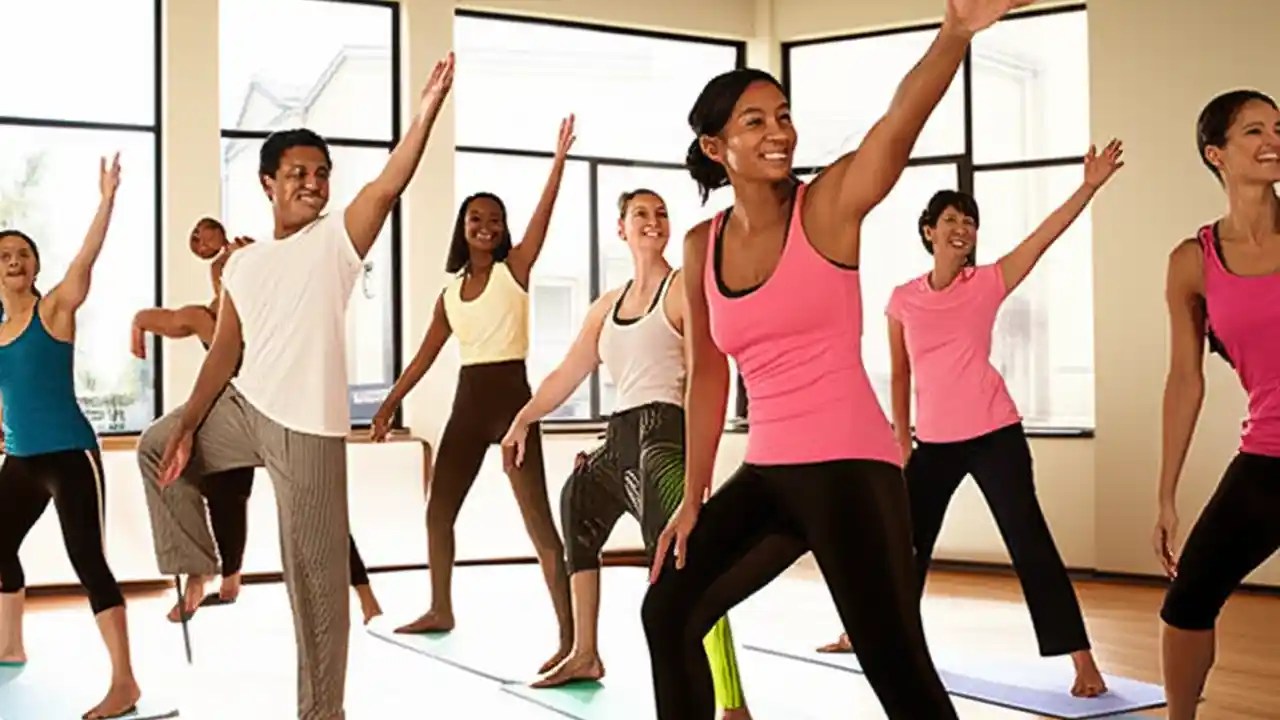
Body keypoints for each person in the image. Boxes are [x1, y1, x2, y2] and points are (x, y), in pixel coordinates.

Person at [640, 2, 1035, 717]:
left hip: (852, 471)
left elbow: (896, 127)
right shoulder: (702, 245)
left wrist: (954, 36)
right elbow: (706, 373)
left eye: (783, 115)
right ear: (713, 146)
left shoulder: (825, 207)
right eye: (754, 121)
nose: (778, 131)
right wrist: (694, 496)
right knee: (668, 610)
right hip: (767, 475)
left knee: (897, 668)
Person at [138, 53, 455, 720]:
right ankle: (198, 566)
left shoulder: (336, 241)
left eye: (321, 174)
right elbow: (223, 351)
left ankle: (322, 712)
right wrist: (192, 422)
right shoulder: (244, 262)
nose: (313, 184)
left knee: (314, 581)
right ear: (268, 183)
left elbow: (388, 185)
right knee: (155, 443)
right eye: (298, 174)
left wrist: (424, 112)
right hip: (245, 405)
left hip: (308, 427)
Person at [814, 142, 1124, 698]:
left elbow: (1044, 236)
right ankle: (863, 634)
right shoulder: (902, 299)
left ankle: (1082, 661)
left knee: (1029, 542)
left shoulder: (987, 283)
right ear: (929, 230)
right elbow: (900, 372)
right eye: (950, 219)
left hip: (995, 436)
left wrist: (1090, 185)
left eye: (970, 221)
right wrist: (900, 441)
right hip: (933, 443)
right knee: (902, 546)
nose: (961, 227)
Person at [500, 189, 752, 718]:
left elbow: (705, 376)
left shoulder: (682, 289)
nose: (654, 221)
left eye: (662, 213)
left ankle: (732, 701)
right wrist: (524, 418)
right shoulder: (606, 307)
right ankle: (584, 652)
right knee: (576, 500)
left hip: (664, 438)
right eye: (642, 214)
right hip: (620, 436)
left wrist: (696, 466)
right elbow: (568, 372)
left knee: (685, 564)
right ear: (621, 228)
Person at [372, 116, 577, 674]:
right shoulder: (449, 293)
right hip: (469, 404)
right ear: (463, 228)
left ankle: (571, 637)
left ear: (504, 229)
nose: (485, 225)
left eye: (495, 219)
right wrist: (389, 404)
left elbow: (544, 218)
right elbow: (424, 355)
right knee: (439, 512)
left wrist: (557, 162)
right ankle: (440, 607)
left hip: (514, 405)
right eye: (476, 218)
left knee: (539, 524)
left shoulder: (517, 269)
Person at [131, 218, 382, 626]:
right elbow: (168, 319)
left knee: (315, 511)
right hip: (237, 420)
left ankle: (365, 594)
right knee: (215, 486)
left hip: (284, 416)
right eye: (221, 274)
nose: (226, 278)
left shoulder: (266, 304)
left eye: (205, 235)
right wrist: (137, 321)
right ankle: (221, 579)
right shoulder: (204, 316)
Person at [0, 155, 144, 720]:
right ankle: (10, 644)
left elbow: (87, 258)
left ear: (35, 267)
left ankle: (125, 683)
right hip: (20, 457)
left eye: (22, 255)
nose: (14, 261)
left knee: (87, 559)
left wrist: (106, 199)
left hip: (68, 453)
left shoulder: (54, 308)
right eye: (4, 256)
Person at [1155, 89, 1280, 720]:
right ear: (1217, 154)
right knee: (1188, 600)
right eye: (1254, 131)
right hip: (1269, 456)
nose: (1274, 140)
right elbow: (1185, 380)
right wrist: (1166, 494)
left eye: (1279, 127)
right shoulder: (1193, 262)